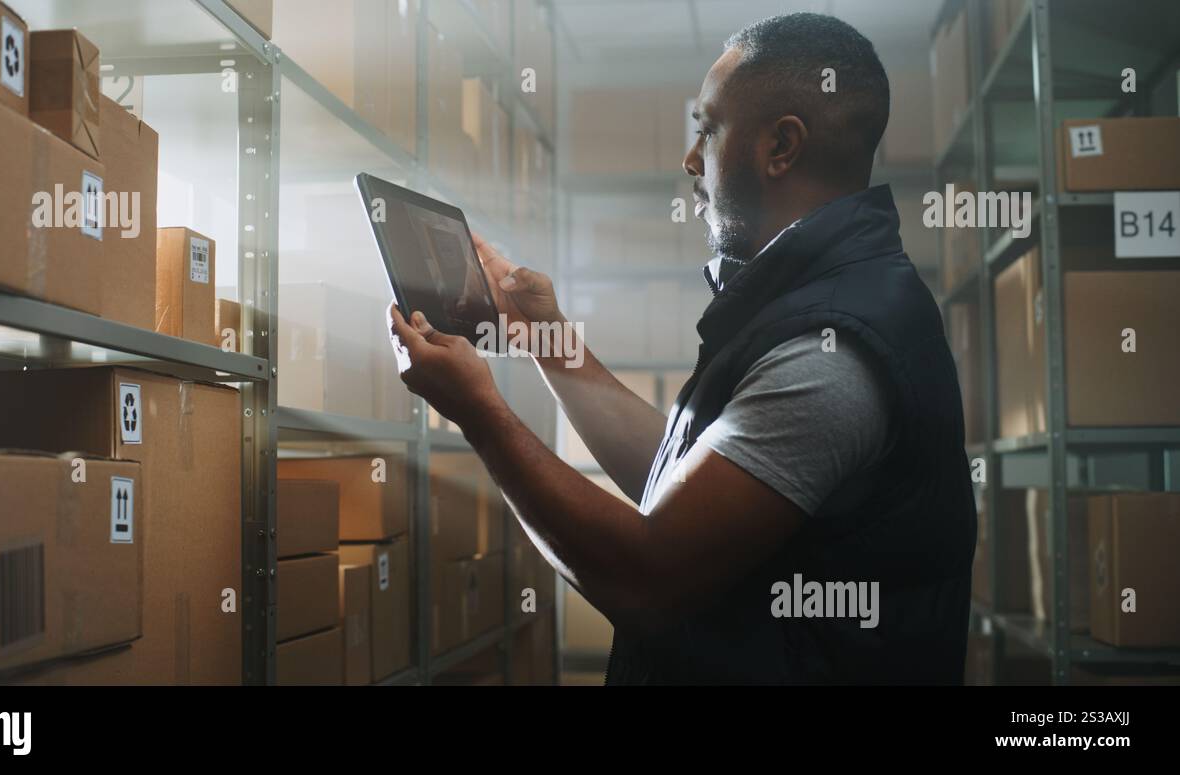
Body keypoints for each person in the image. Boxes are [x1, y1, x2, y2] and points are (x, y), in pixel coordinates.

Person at [387, 12, 975, 685]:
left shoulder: (832, 352)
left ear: (781, 146)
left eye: (708, 130)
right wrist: (540, 336)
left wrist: (481, 414)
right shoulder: (817, 299)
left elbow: (648, 579)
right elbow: (684, 483)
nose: (691, 160)